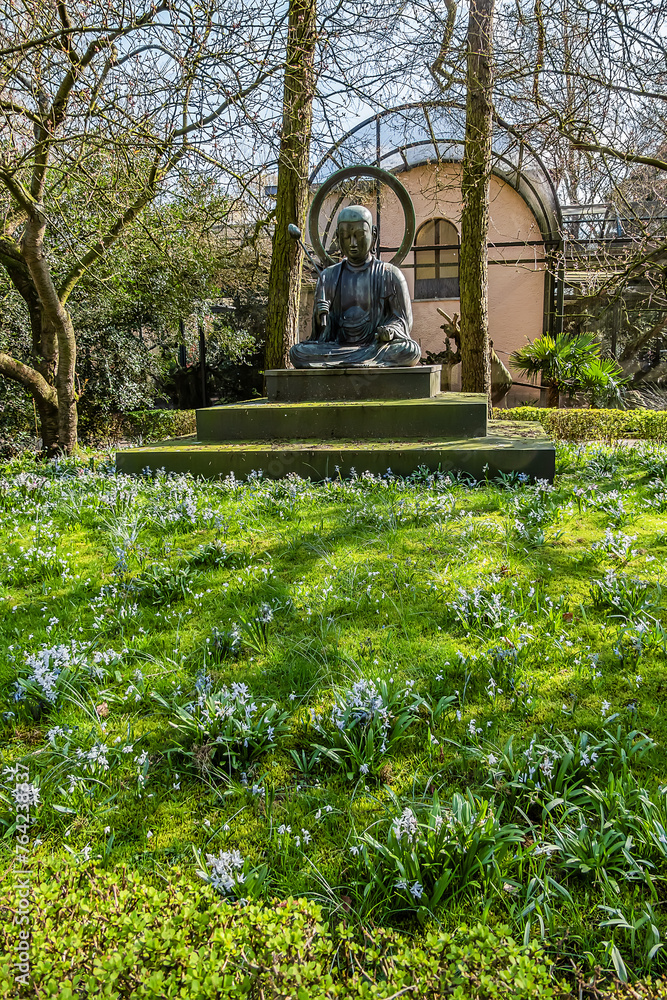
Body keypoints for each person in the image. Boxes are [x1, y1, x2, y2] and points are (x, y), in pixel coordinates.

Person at [290, 205, 421, 368]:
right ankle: (357, 362)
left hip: (375, 347)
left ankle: (350, 362)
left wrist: (390, 330)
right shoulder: (327, 277)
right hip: (336, 348)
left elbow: (403, 321)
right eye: (346, 236)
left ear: (373, 234)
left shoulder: (390, 274)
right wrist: (320, 317)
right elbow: (322, 335)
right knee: (298, 352)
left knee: (409, 350)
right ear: (338, 237)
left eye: (359, 235)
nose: (353, 243)